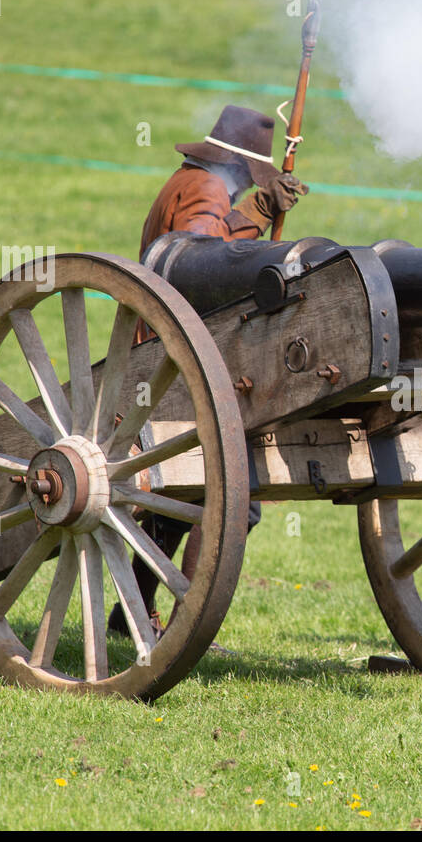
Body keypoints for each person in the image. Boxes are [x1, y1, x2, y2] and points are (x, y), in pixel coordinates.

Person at [112, 105, 308, 636]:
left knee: (185, 497)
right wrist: (260, 213)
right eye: (253, 178)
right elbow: (200, 265)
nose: (251, 186)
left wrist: (258, 216)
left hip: (173, 352)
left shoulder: (198, 183)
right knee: (232, 500)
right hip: (171, 359)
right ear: (242, 169)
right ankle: (183, 628)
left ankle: (131, 608)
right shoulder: (206, 190)